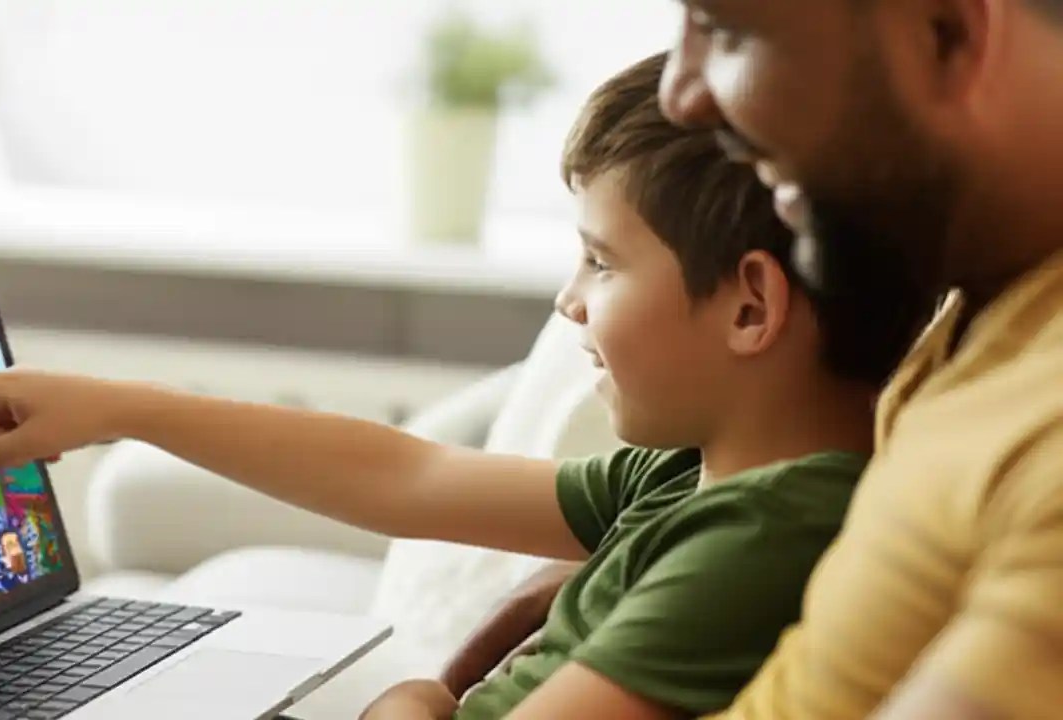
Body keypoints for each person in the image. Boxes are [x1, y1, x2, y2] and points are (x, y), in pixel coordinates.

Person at [0, 52, 933, 720]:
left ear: (749, 307)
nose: (570, 303)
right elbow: (408, 476)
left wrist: (410, 705)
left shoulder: (760, 540)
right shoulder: (693, 476)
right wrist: (123, 405)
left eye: (601, 263)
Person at [450, 2, 1063, 718]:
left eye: (731, 31)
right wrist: (626, 584)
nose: (683, 93)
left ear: (947, 33)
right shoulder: (981, 321)